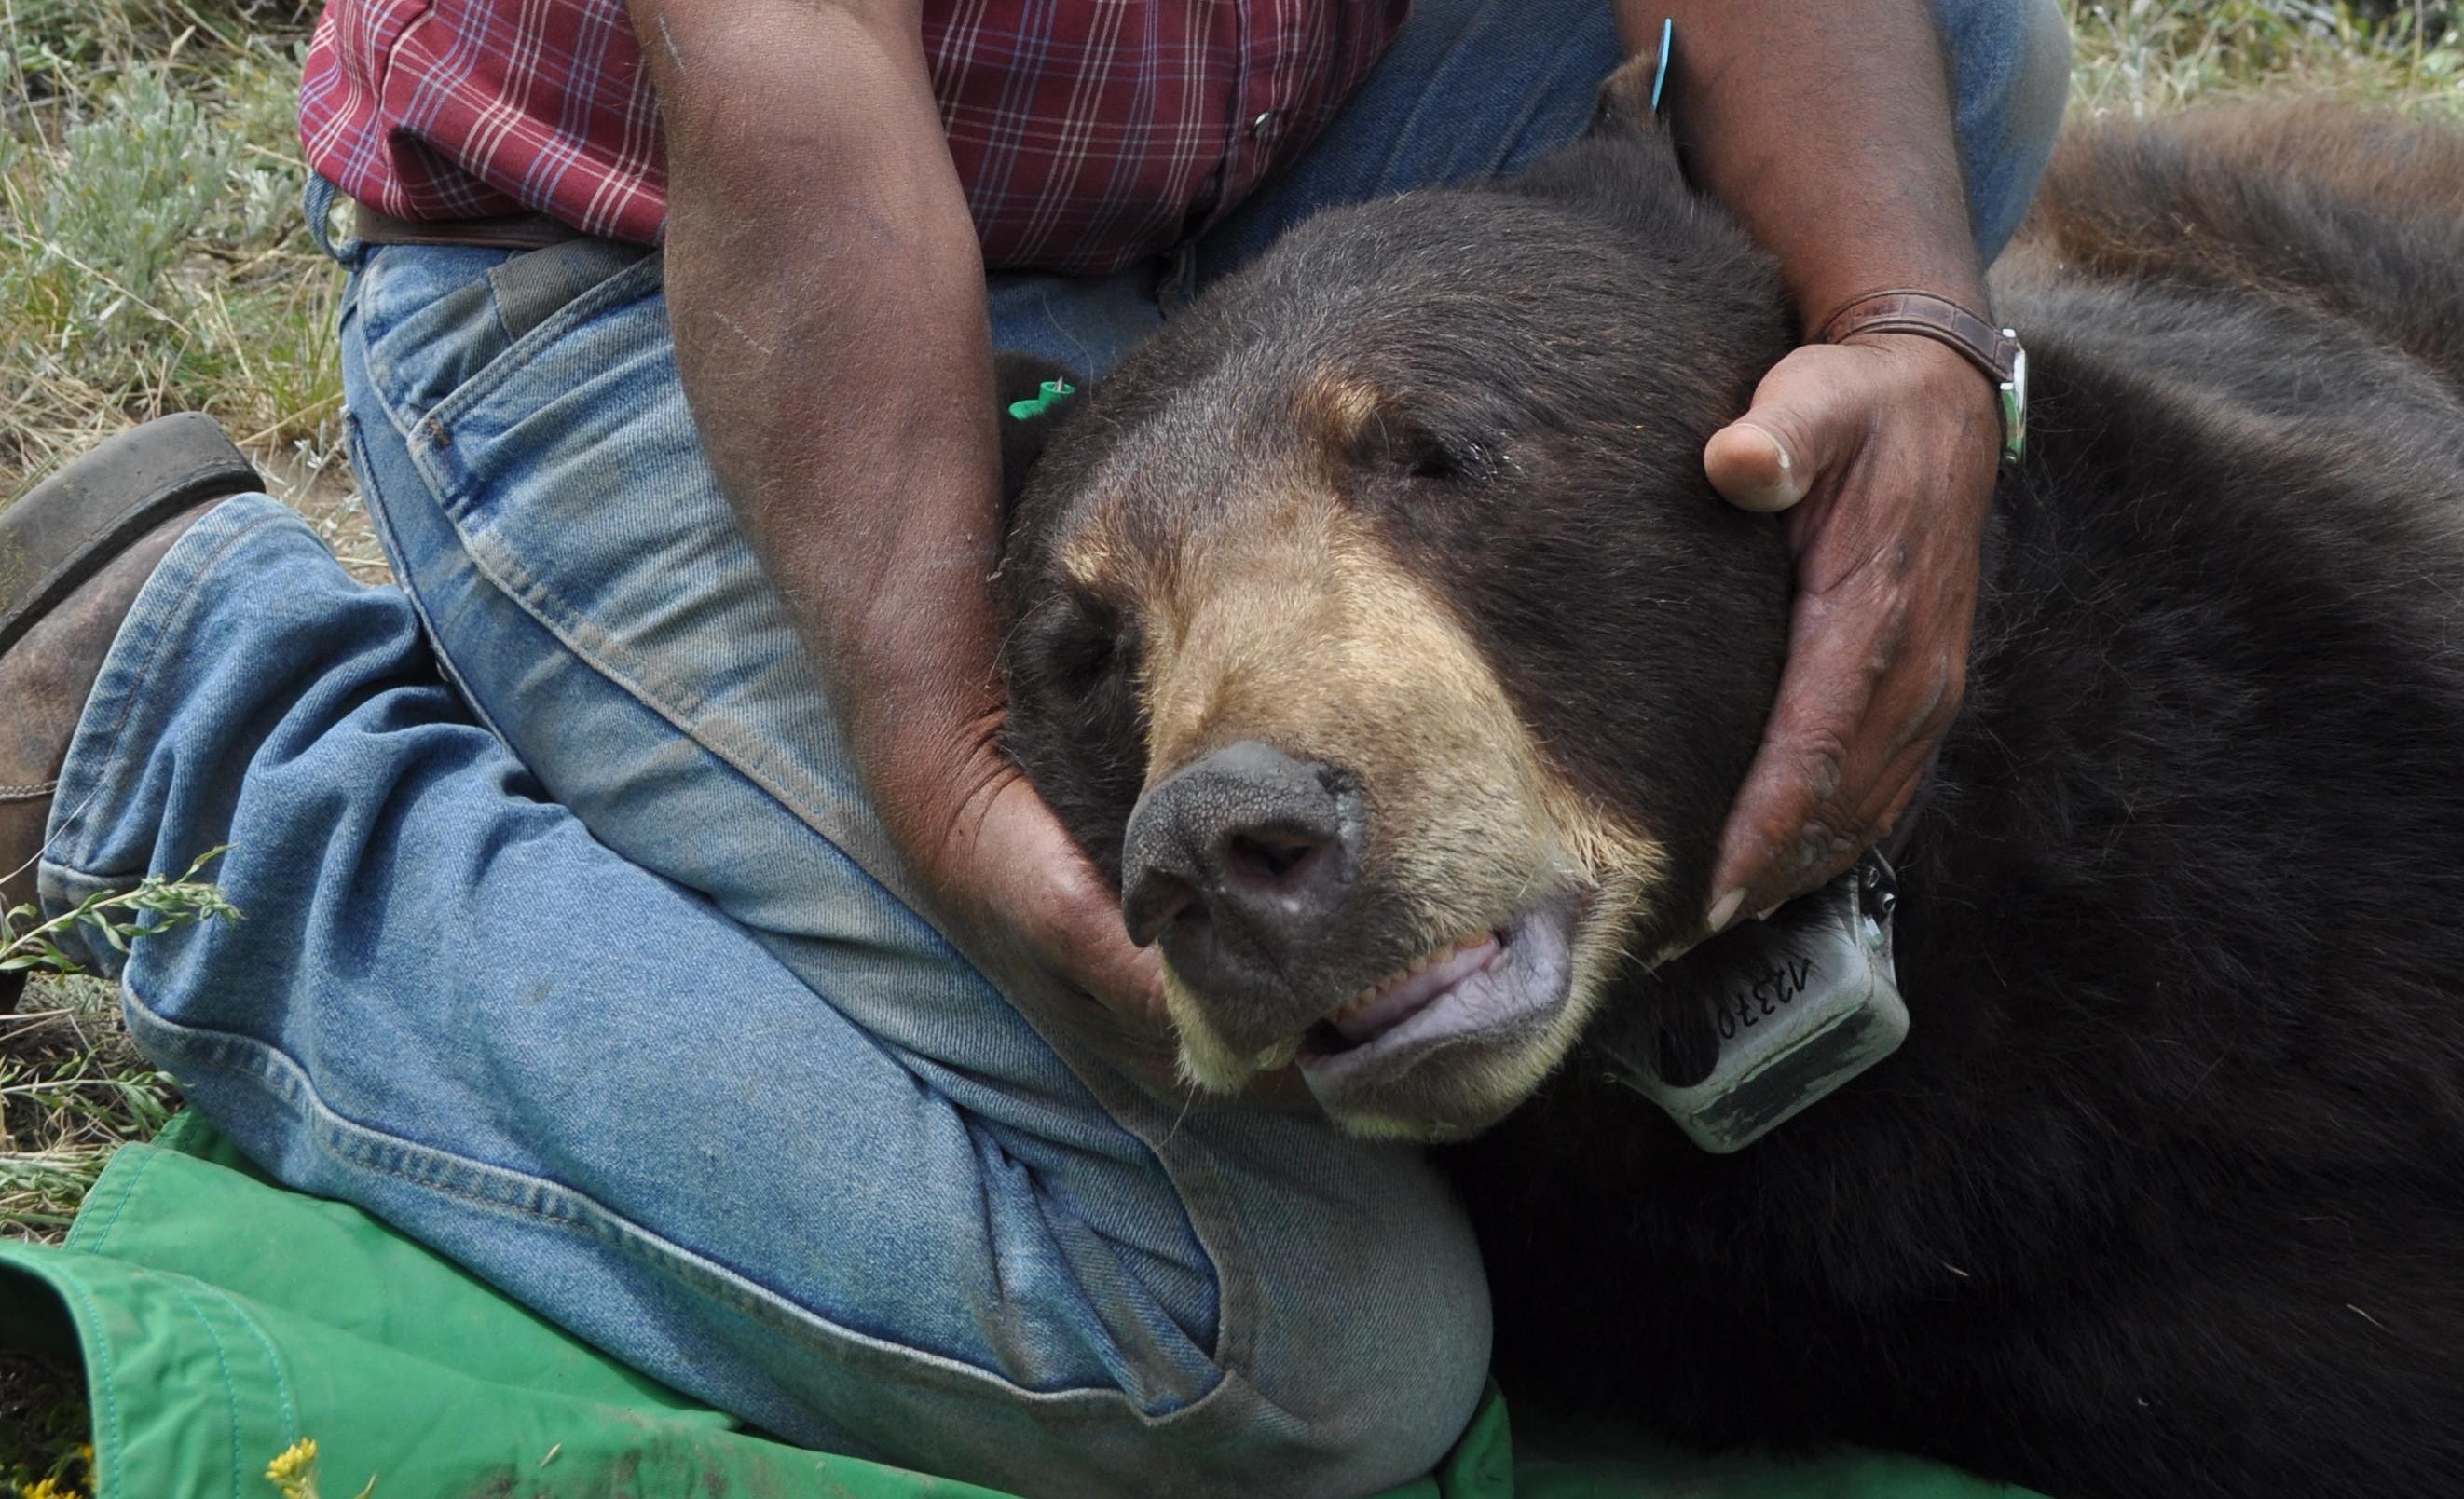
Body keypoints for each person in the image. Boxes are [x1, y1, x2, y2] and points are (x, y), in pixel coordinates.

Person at [0, 1, 2067, 1492]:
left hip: (1242, 171)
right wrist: (937, 755)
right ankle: (210, 746)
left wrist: (1901, 327)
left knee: (1937, 43)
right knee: (1270, 1340)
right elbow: (783, 80)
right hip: (657, 252)